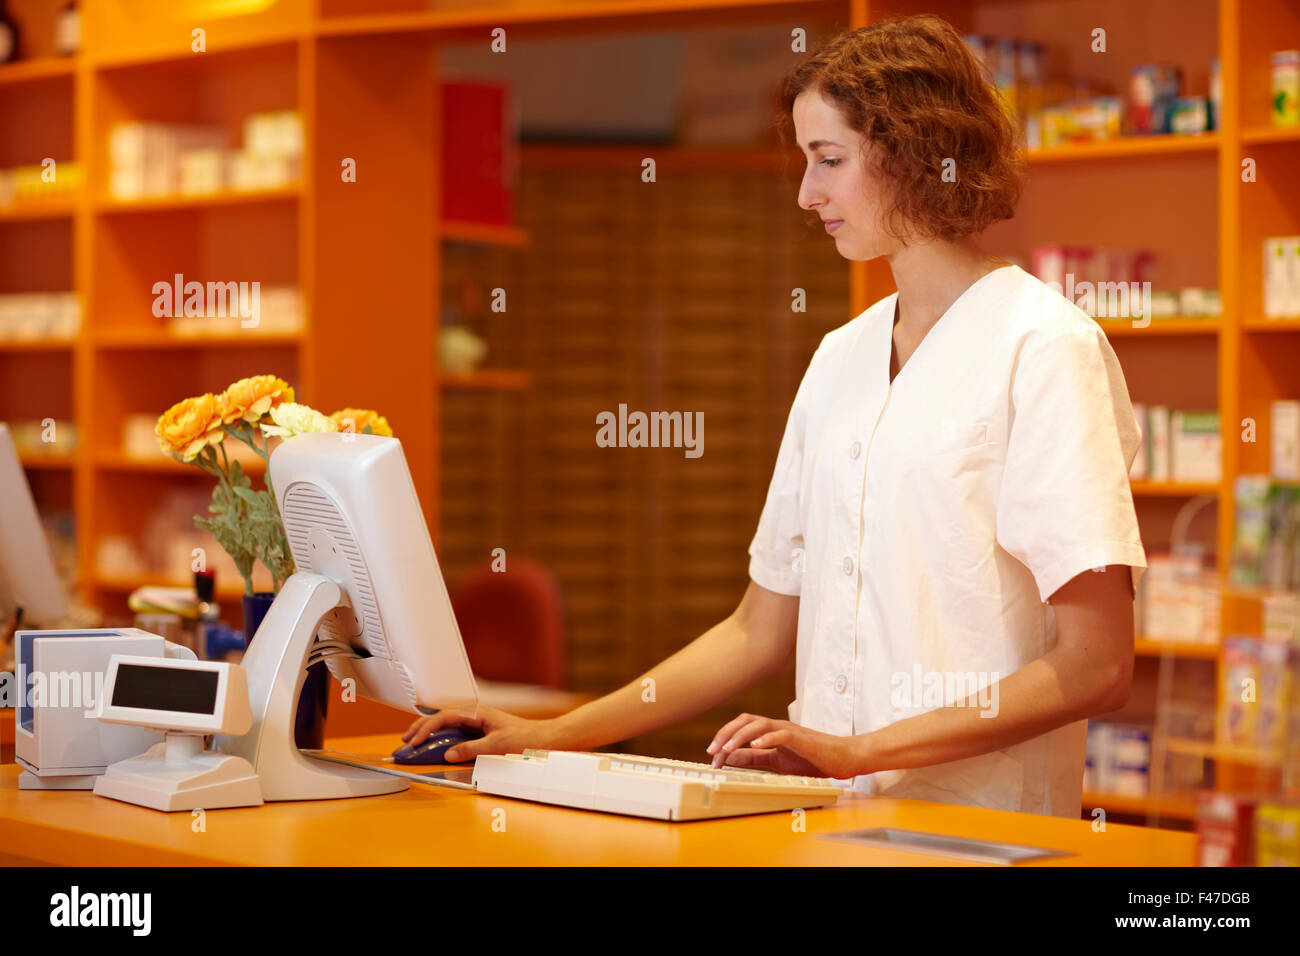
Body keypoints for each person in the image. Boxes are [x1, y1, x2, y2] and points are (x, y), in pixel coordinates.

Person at [404, 14, 1147, 817]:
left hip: (977, 828)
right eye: (804, 162)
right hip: (824, 821)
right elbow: (757, 629)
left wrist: (858, 752)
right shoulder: (841, 357)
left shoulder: (1043, 348)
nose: (806, 193)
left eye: (828, 160)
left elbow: (1095, 664)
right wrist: (557, 733)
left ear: (910, 151)